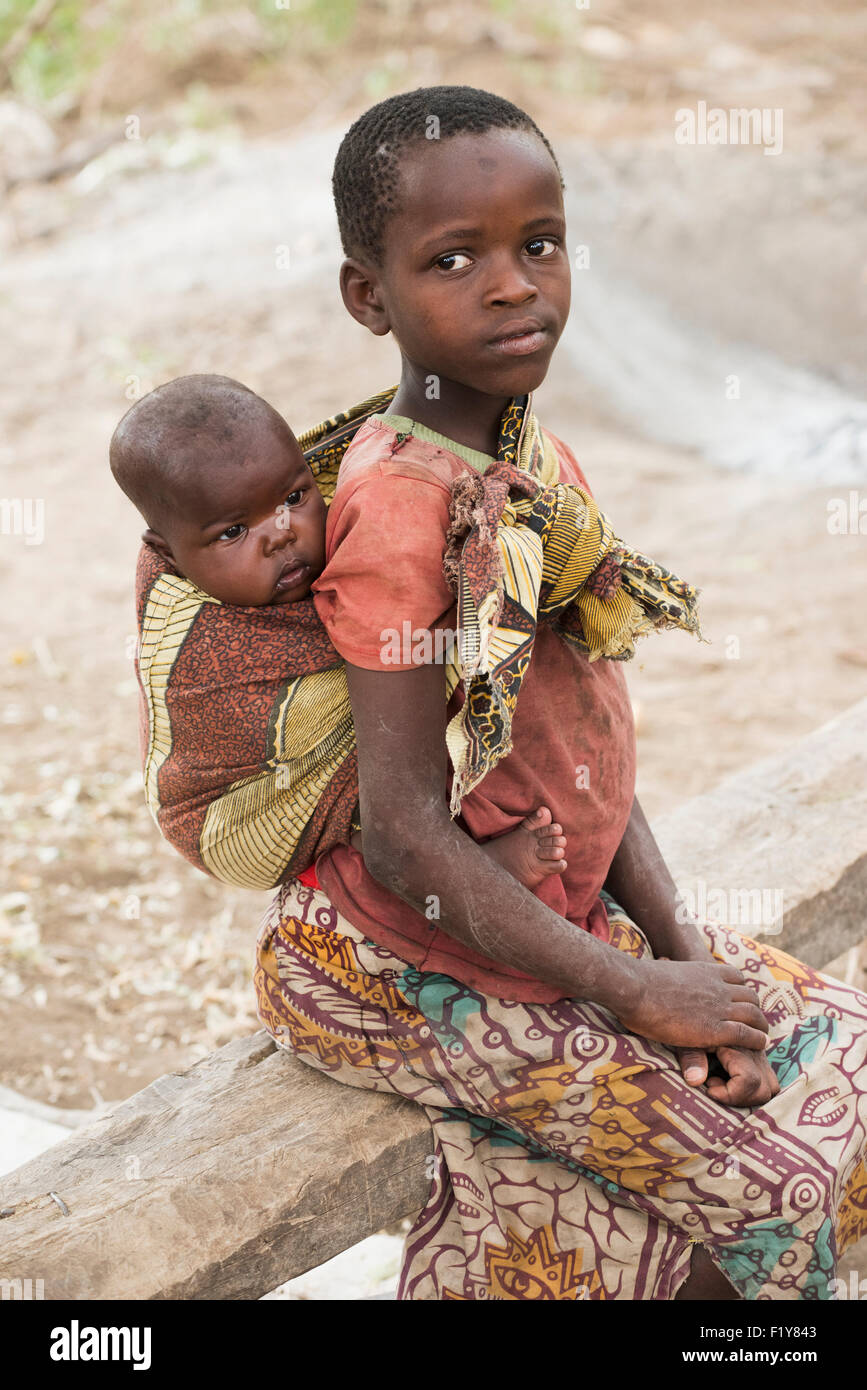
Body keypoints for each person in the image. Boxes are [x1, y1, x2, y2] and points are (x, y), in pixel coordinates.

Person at [253, 85, 867, 1300]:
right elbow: (406, 828)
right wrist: (640, 991)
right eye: (453, 258)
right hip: (393, 963)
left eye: (539, 242)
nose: (512, 283)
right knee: (773, 1195)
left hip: (550, 916)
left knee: (835, 1051)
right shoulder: (398, 510)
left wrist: (689, 967)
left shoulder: (533, 459)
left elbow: (586, 764)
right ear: (368, 298)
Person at [109, 372, 578, 894]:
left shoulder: (337, 508)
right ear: (170, 553)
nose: (281, 533)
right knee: (384, 813)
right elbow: (381, 634)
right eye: (234, 531)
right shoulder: (197, 644)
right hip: (234, 812)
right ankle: (465, 873)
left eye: (292, 496)